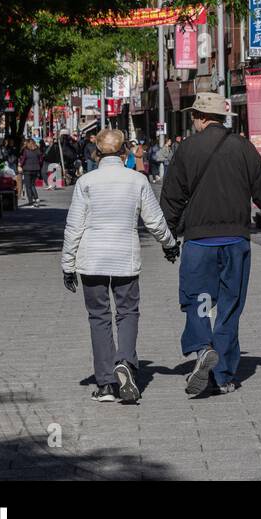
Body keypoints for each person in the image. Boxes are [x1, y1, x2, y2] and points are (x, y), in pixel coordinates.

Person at [160, 92, 261, 397]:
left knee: (198, 299)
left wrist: (168, 238)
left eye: (194, 116)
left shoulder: (187, 149)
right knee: (230, 307)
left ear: (200, 118)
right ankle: (224, 375)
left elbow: (172, 198)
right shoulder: (243, 147)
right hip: (235, 241)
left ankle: (203, 346)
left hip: (200, 242)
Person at [61, 128, 178, 403]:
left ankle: (105, 384)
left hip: (91, 259)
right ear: (124, 151)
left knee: (98, 317)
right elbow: (154, 220)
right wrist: (169, 243)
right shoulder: (136, 180)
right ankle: (125, 360)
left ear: (97, 153)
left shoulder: (86, 182)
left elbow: (74, 226)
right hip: (125, 257)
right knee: (127, 312)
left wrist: (68, 264)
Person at [17, 138, 44, 207]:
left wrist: (20, 165)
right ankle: (36, 198)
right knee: (32, 185)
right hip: (36, 169)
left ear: (28, 143)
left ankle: (30, 201)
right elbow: (41, 160)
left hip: (27, 170)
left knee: (28, 186)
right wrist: (38, 166)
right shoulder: (38, 150)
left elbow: (23, 160)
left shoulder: (26, 151)